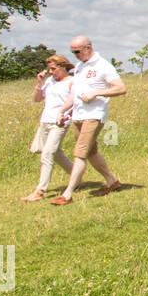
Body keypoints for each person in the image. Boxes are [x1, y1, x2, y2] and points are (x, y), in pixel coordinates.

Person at [51, 35, 125, 205]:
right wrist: (63, 110)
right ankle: (111, 181)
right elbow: (74, 93)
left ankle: (67, 194)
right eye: (72, 52)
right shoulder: (79, 67)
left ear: (87, 48)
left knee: (80, 153)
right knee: (91, 152)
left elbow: (121, 88)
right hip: (78, 115)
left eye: (77, 51)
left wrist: (96, 93)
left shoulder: (103, 66)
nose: (75, 55)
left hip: (94, 115)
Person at [22, 54, 76, 202]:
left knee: (47, 154)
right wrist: (39, 84)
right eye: (49, 69)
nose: (51, 72)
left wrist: (67, 114)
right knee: (56, 153)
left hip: (59, 122)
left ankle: (40, 191)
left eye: (53, 69)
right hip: (45, 122)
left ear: (63, 67)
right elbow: (37, 99)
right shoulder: (50, 82)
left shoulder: (72, 82)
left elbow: (74, 102)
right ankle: (76, 177)